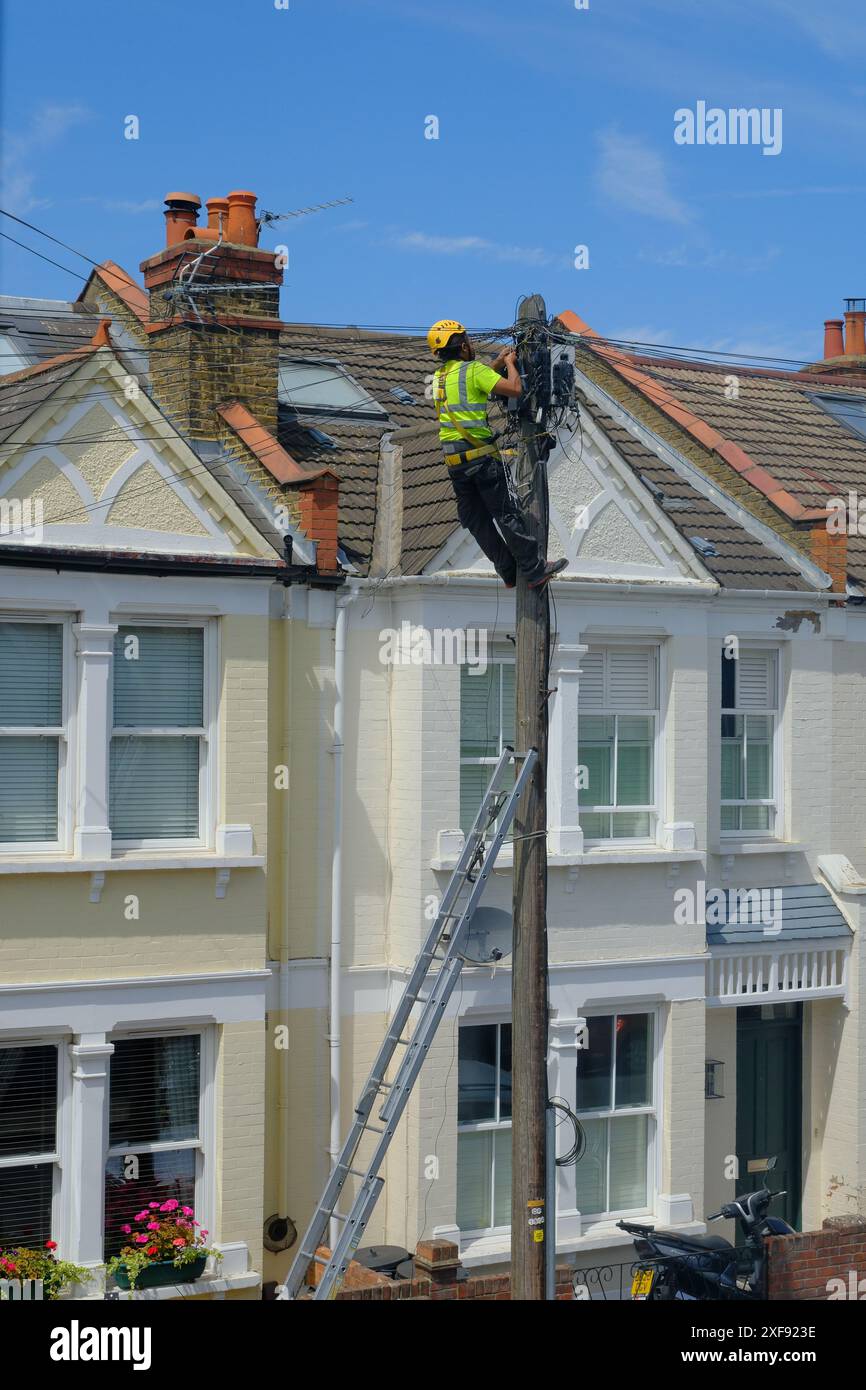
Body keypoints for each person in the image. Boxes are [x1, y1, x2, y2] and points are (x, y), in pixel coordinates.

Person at [428, 319, 567, 589]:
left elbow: (473, 384)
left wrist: (497, 363)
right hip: (481, 459)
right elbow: (515, 389)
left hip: (455, 464)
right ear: (462, 345)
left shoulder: (440, 379)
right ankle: (534, 569)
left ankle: (508, 571)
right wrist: (511, 365)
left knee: (476, 520)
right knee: (506, 514)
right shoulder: (474, 371)